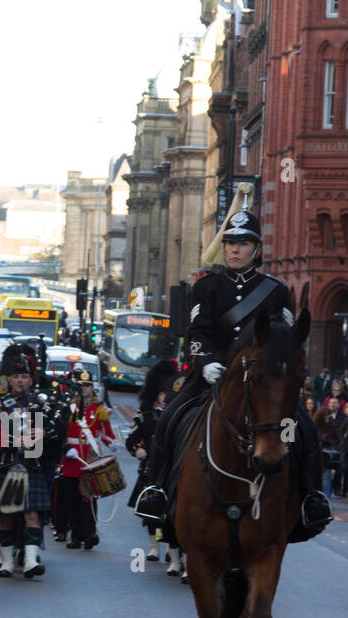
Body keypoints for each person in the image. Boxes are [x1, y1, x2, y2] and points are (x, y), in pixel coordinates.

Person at [136, 202, 331, 539]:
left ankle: (311, 499)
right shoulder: (207, 287)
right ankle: (157, 491)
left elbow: (284, 340)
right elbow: (198, 332)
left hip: (261, 381)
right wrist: (206, 361)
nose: (234, 250)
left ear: (255, 249)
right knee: (169, 418)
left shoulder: (275, 291)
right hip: (212, 375)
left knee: (303, 430)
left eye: (241, 244)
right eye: (229, 243)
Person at [0, 355, 65, 578]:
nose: (20, 381)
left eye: (24, 377)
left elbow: (59, 431)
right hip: (7, 463)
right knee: (6, 515)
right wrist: (13, 441)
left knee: (33, 514)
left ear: (30, 380)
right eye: (16, 377)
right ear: (8, 380)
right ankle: (7, 562)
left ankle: (30, 561)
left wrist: (44, 432)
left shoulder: (42, 404)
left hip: (33, 464)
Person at [54, 368, 115, 550]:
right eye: (81, 386)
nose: (85, 389)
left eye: (88, 386)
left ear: (92, 388)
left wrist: (111, 443)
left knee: (89, 498)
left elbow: (105, 433)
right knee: (72, 498)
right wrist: (66, 449)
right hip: (72, 458)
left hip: (90, 457)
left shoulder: (99, 410)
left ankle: (90, 533)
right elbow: (60, 432)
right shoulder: (69, 408)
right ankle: (75, 535)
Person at [126, 360, 178, 563]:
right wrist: (137, 449)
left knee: (171, 514)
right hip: (151, 470)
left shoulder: (175, 417)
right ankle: (155, 546)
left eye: (167, 393)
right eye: (162, 393)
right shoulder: (145, 418)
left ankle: (172, 548)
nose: (165, 397)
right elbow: (131, 439)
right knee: (152, 514)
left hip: (171, 468)